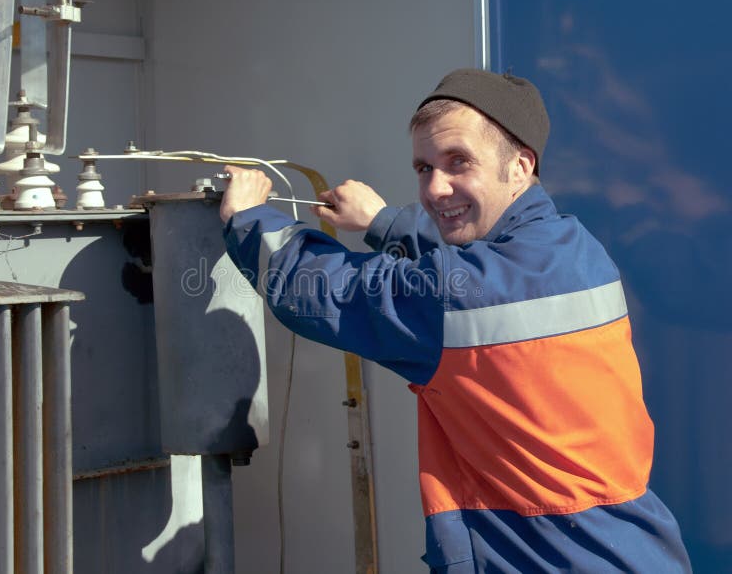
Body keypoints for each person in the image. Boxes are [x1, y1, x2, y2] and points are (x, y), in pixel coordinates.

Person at [219, 68, 692, 572]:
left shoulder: (456, 297)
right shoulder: (574, 249)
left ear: (519, 166)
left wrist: (248, 220)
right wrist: (384, 223)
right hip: (633, 550)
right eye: (423, 167)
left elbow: (317, 290)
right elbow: (477, 278)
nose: (436, 188)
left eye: (458, 162)